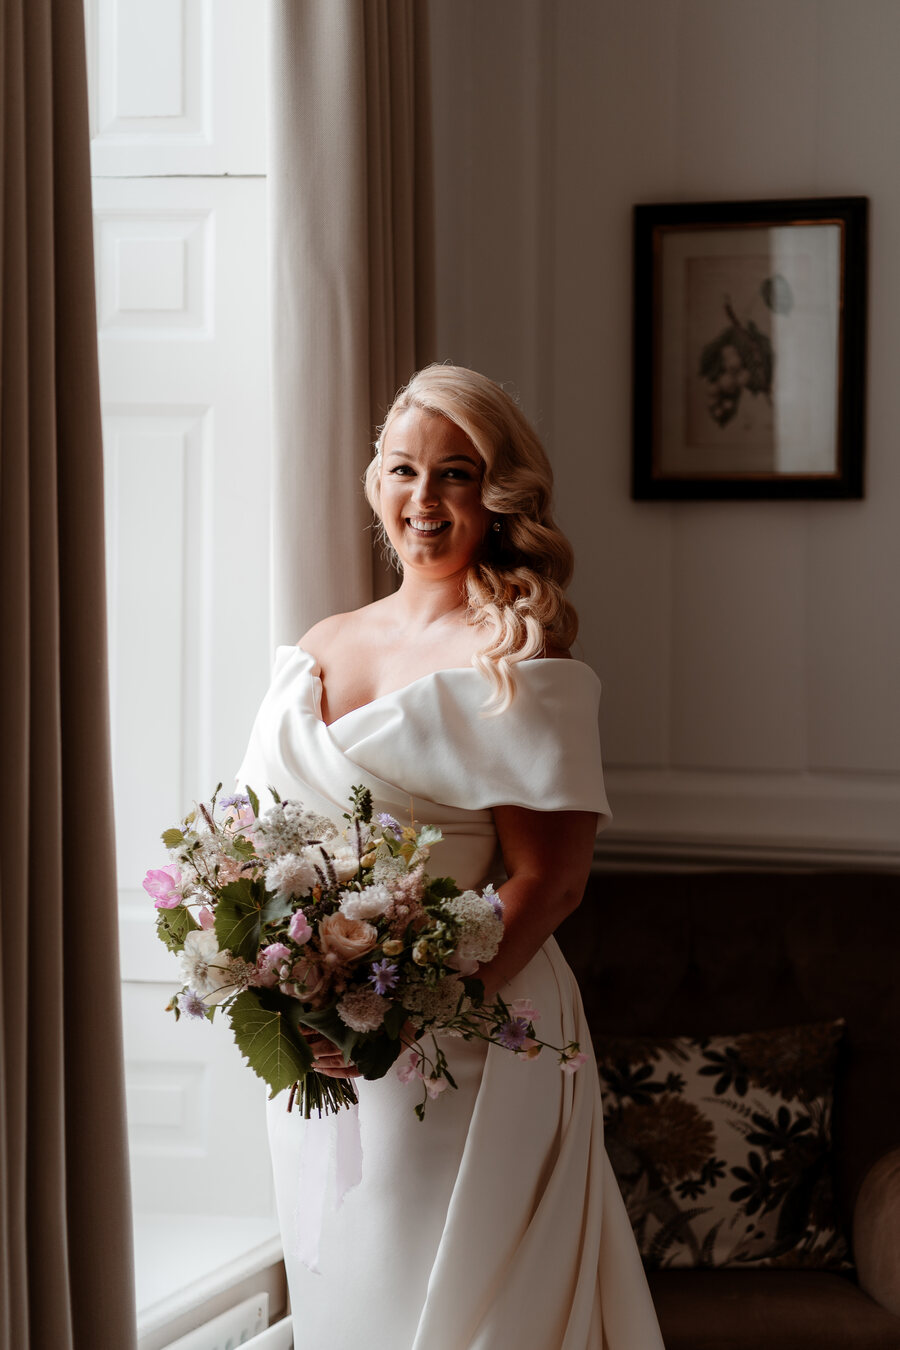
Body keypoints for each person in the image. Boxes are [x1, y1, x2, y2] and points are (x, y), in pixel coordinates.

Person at [233, 364, 665, 1349]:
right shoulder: (320, 646)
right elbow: (256, 851)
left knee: (453, 1304)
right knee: (345, 1292)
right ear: (374, 478)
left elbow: (550, 884)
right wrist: (290, 999)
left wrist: (406, 1015)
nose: (423, 501)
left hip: (470, 1044)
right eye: (402, 470)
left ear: (498, 493)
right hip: (325, 1054)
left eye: (456, 474)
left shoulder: (519, 657)